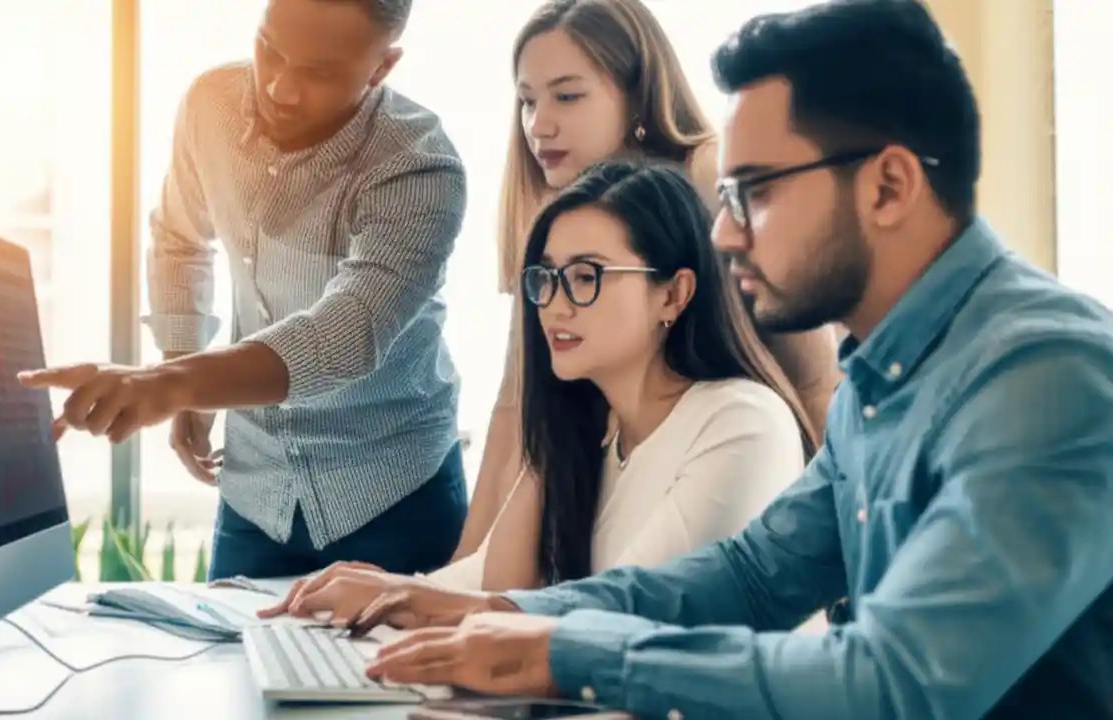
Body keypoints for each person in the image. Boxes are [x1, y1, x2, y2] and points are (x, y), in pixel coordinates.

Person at [271, 1, 1113, 717]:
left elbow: (901, 681)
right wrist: (494, 611)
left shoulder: (1044, 378)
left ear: (888, 187)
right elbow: (750, 578)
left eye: (756, 191)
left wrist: (570, 655)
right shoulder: (883, 378)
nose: (723, 231)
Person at [19, 0, 471, 580]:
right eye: (269, 50)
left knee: (387, 673)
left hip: (394, 496)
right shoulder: (210, 105)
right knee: (228, 664)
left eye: (319, 72)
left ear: (382, 68)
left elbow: (346, 333)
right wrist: (183, 365)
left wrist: (171, 386)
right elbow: (180, 237)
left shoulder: (419, 167)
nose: (280, 88)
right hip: (257, 494)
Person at [263, 161, 810, 604]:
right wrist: (385, 590)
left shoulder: (742, 421)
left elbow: (625, 612)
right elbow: (492, 581)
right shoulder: (594, 426)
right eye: (545, 278)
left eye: (584, 277)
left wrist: (416, 601)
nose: (553, 304)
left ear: (673, 294)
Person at [453, 0, 840, 566]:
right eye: (528, 101)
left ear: (635, 95)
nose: (540, 125)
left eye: (568, 95)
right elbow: (516, 408)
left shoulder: (710, 181)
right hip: (638, 489)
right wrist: (455, 569)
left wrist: (839, 549)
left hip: (749, 480)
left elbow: (814, 376)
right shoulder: (562, 223)